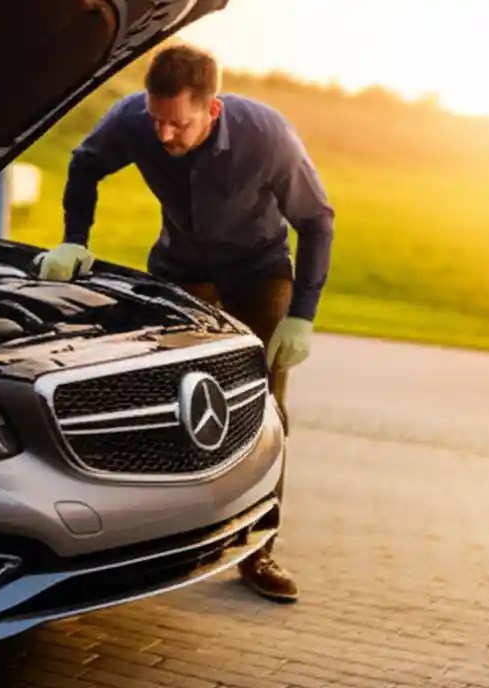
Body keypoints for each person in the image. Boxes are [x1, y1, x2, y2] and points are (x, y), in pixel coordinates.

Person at [34, 42, 335, 603]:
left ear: (211, 109)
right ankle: (158, 538)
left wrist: (302, 315)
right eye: (156, 119)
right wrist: (75, 238)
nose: (164, 135)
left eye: (177, 123)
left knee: (265, 409)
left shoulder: (266, 136)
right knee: (160, 400)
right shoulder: (136, 120)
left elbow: (317, 221)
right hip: (181, 269)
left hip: (258, 272)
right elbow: (84, 164)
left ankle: (259, 551)